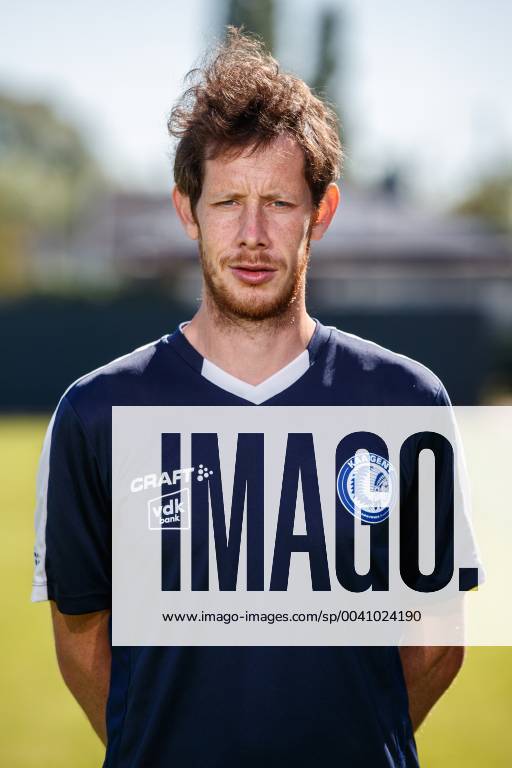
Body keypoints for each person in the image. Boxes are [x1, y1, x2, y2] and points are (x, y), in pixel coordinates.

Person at [32, 28, 478, 768]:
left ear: (321, 213)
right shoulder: (97, 413)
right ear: (187, 212)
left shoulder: (407, 402)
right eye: (227, 201)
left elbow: (436, 643)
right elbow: (83, 645)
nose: (251, 234)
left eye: (277, 202)